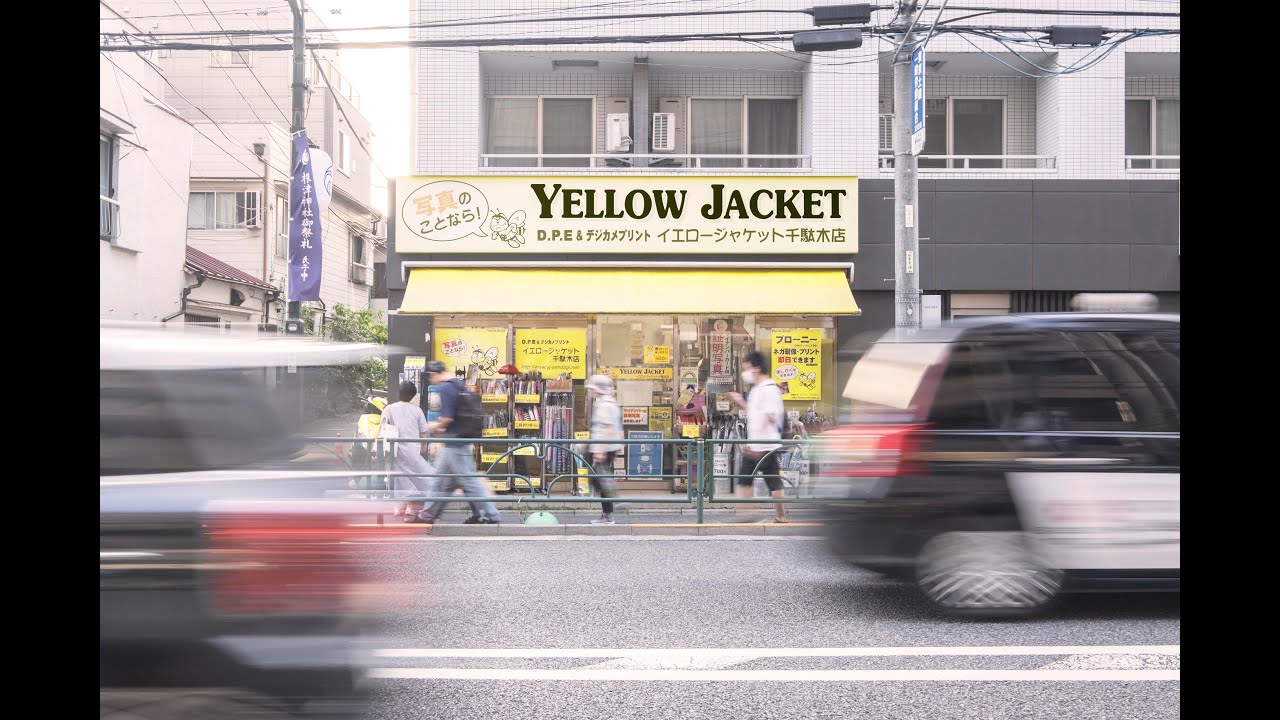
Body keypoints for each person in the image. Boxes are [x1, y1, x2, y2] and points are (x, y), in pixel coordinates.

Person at [409, 361, 502, 525]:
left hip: (455, 444)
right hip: (458, 442)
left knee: (468, 482)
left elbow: (447, 418)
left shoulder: (445, 388)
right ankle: (428, 515)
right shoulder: (458, 384)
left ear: (433, 374)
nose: (431, 380)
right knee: (443, 481)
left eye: (430, 377)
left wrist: (434, 426)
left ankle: (492, 515)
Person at [726, 351, 788, 523]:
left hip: (766, 445)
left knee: (773, 482)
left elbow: (769, 415)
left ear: (757, 368)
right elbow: (755, 413)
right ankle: (746, 515)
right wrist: (741, 402)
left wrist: (757, 441)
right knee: (745, 479)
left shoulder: (769, 389)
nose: (746, 373)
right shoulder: (757, 390)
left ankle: (781, 516)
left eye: (747, 369)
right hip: (754, 444)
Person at [379, 381, 434, 519]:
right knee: (417, 478)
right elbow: (423, 433)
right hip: (413, 451)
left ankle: (399, 507)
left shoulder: (389, 409)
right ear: (413, 395)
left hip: (395, 450)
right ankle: (411, 508)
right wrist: (423, 448)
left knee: (399, 478)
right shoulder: (417, 410)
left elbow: (383, 429)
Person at [585, 374, 624, 525]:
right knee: (600, 479)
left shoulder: (604, 405)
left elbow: (607, 428)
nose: (592, 391)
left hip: (603, 447)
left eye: (593, 388)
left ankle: (608, 513)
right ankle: (609, 509)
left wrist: (600, 450)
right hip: (607, 447)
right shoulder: (610, 403)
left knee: (598, 480)